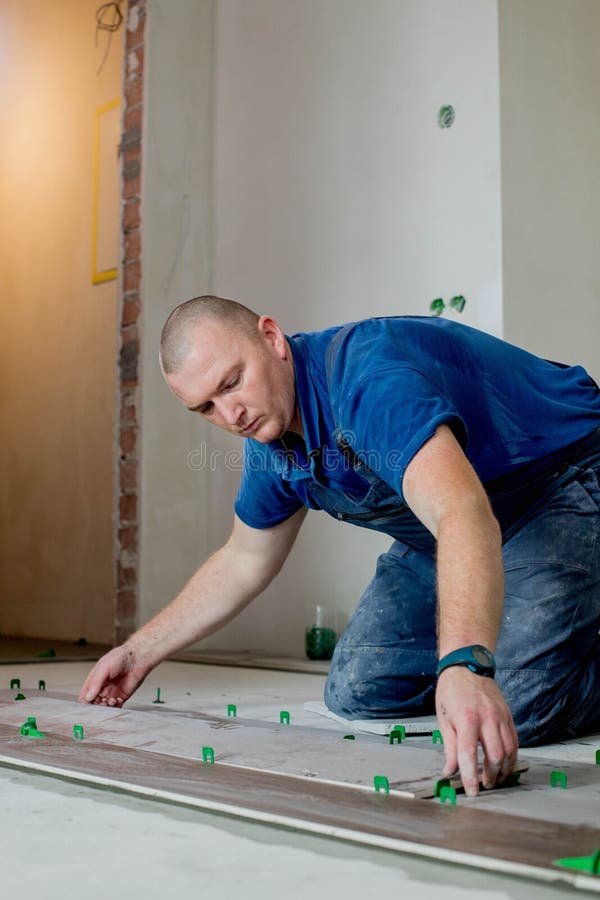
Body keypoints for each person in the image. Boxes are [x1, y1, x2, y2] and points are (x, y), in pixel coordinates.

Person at [79, 295, 600, 796]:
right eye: (206, 408)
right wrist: (139, 650)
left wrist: (467, 666)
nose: (231, 415)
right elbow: (244, 560)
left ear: (271, 337)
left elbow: (461, 511)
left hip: (559, 482)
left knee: (516, 702)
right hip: (446, 533)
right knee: (358, 687)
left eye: (233, 382)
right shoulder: (271, 439)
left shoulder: (366, 380)